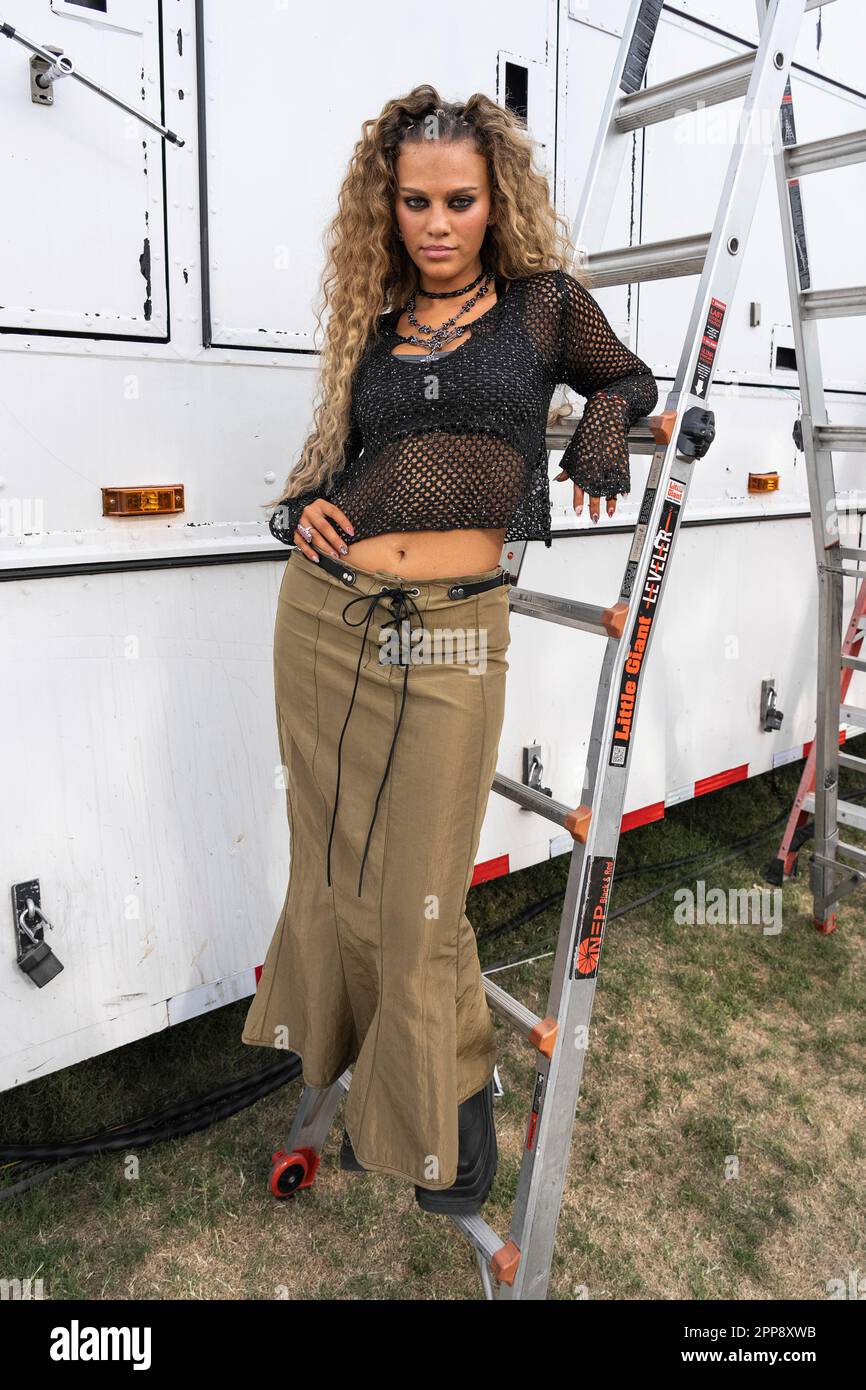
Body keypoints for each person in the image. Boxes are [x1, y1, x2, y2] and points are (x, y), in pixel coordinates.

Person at [241, 85, 658, 1215]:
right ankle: (352, 1071)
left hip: (455, 632)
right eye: (414, 201)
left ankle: (447, 1124)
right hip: (324, 620)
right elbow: (332, 465)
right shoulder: (372, 325)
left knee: (420, 890)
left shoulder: (539, 307)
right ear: (389, 205)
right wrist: (300, 514)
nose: (434, 222)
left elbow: (627, 377)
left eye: (458, 200)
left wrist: (610, 419)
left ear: (492, 202)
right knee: (331, 867)